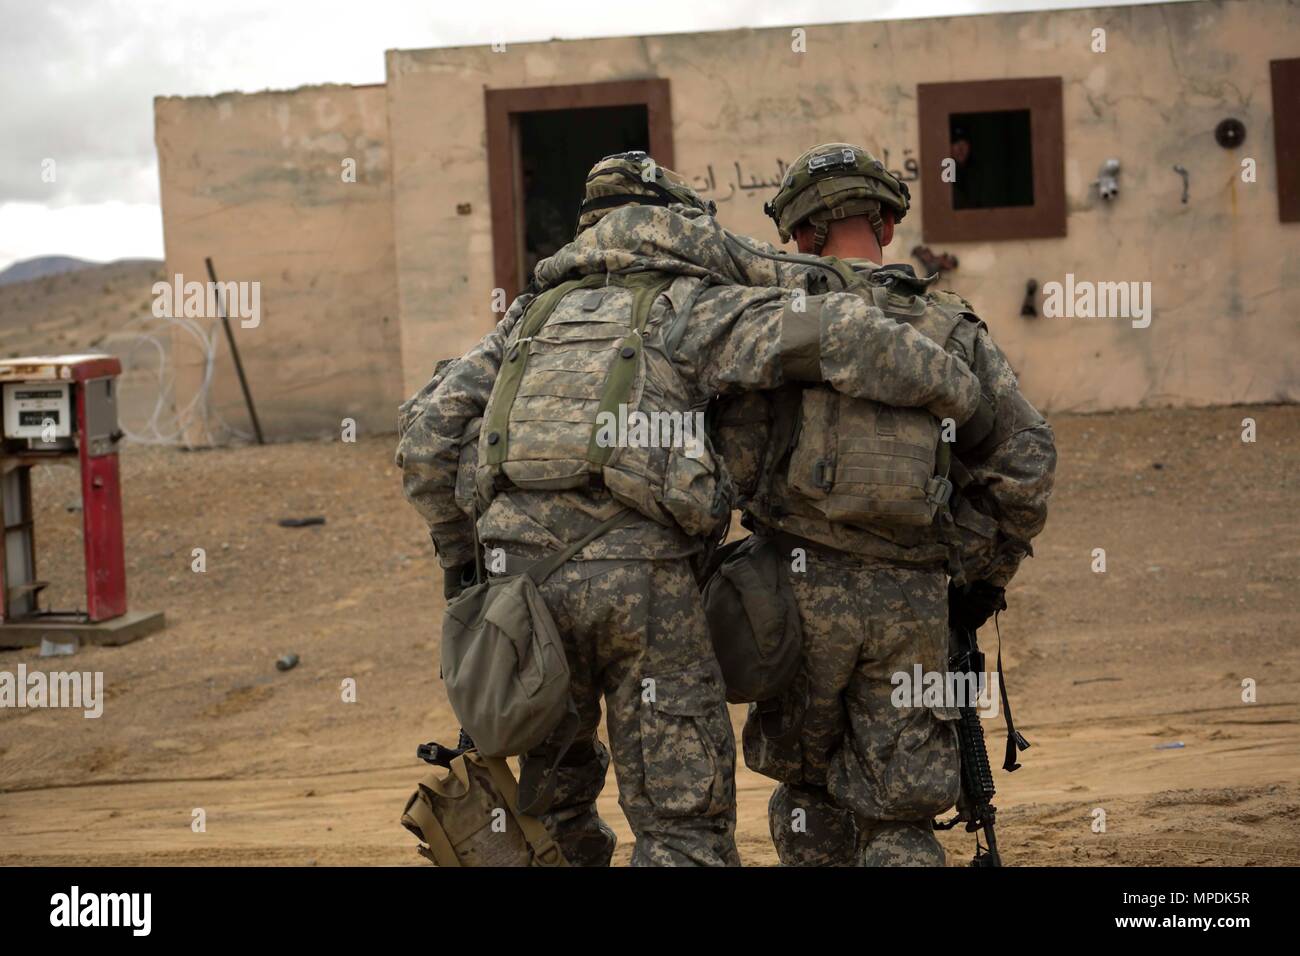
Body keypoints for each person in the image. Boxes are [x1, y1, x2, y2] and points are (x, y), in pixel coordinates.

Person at [396, 150, 985, 866]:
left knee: (549, 808)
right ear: (680, 228)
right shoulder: (689, 302)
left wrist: (464, 564)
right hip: (645, 579)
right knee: (682, 823)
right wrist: (954, 388)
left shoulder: (526, 320)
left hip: (521, 586)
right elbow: (838, 337)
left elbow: (425, 439)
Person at [715, 142, 1057, 866]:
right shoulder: (952, 328)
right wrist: (977, 579)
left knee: (808, 795)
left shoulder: (779, 326)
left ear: (802, 234)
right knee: (900, 814)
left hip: (792, 599)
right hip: (914, 605)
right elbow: (1025, 463)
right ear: (889, 227)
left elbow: (730, 464)